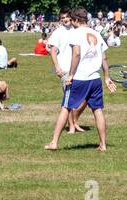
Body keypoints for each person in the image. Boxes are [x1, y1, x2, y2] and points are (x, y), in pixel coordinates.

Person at [45, 8, 116, 152]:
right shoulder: (96, 33)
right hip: (95, 79)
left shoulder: (75, 33)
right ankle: (103, 144)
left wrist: (71, 74)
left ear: (76, 20)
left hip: (79, 78)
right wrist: (107, 77)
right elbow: (104, 58)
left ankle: (54, 142)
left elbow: (76, 54)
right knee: (98, 110)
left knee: (65, 108)